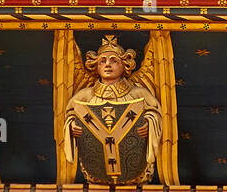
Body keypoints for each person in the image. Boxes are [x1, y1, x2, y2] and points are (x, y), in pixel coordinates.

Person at [63, 34, 162, 184]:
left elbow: (155, 114)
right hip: (94, 172)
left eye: (114, 60)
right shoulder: (83, 97)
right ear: (95, 66)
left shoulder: (139, 94)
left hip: (136, 172)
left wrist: (150, 124)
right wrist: (72, 127)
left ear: (125, 66)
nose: (107, 64)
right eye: (102, 61)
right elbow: (70, 116)